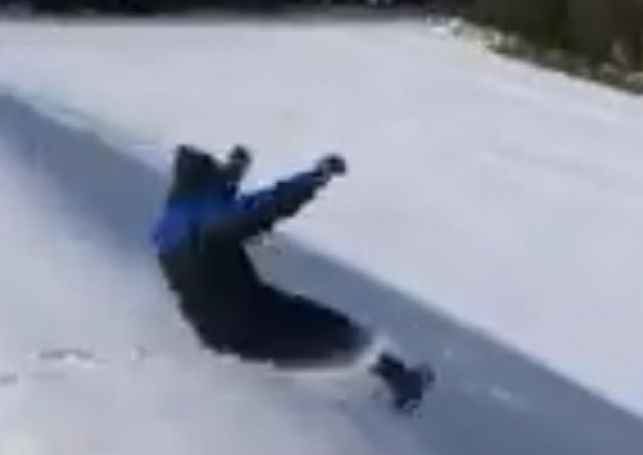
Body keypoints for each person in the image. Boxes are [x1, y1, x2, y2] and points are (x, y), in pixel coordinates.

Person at [152, 145, 433, 412]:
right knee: (335, 333)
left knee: (315, 342)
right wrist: (315, 178)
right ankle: (401, 386)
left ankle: (383, 385)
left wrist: (234, 169)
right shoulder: (207, 221)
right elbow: (261, 208)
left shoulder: (170, 224)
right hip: (252, 319)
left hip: (214, 329)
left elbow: (217, 203)